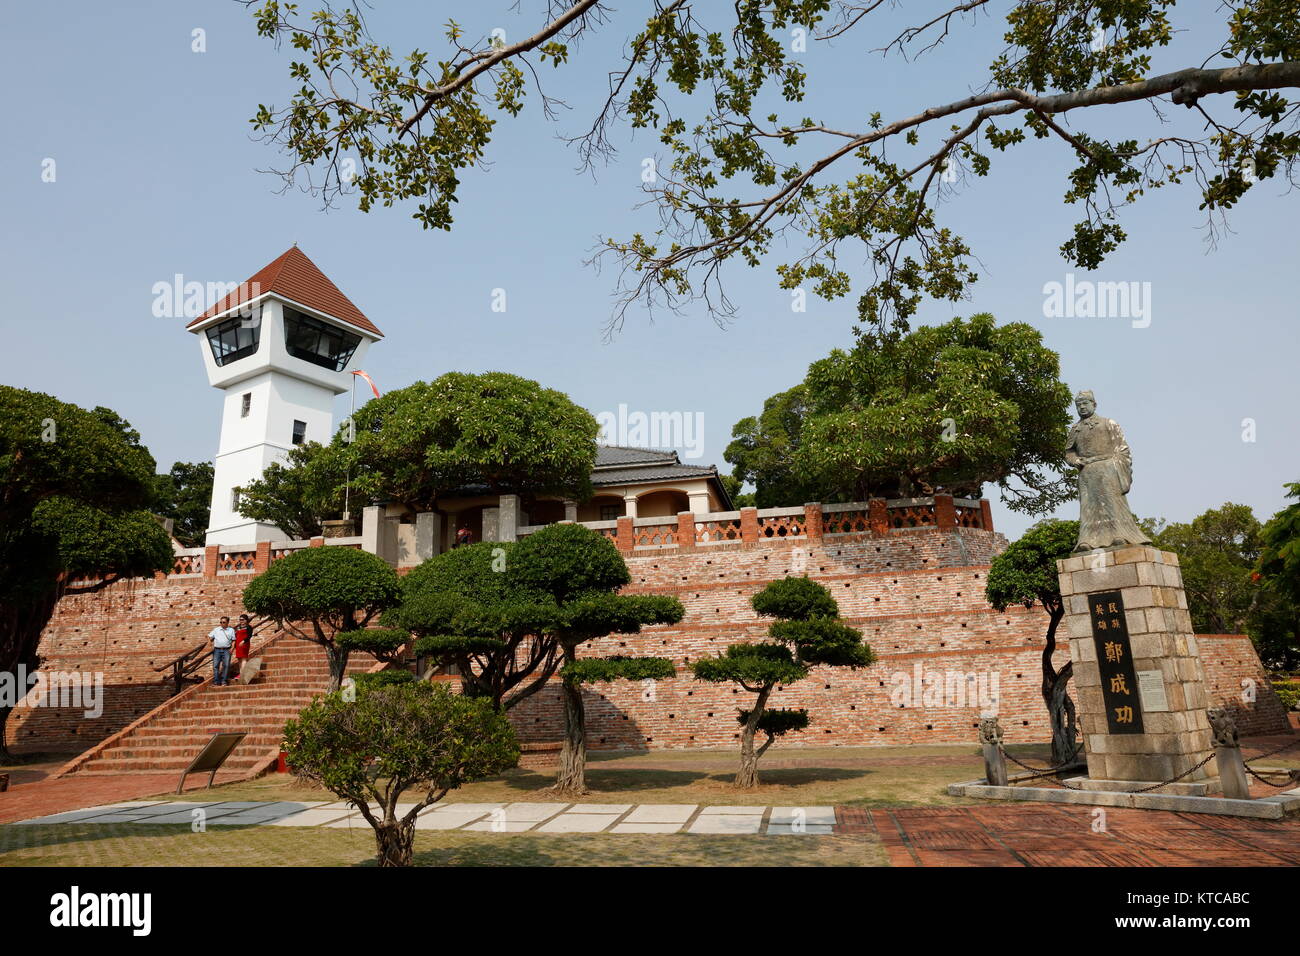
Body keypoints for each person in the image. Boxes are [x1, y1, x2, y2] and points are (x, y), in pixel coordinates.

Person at [1065, 390, 1152, 553]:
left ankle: (1120, 535)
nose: (1082, 407)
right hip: (1087, 473)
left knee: (1113, 503)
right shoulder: (1075, 429)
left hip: (1108, 469)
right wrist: (1077, 461)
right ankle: (1087, 540)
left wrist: (1115, 466)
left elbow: (1123, 448)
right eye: (1078, 405)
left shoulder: (1108, 423)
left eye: (1085, 403)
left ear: (1094, 404)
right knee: (1088, 508)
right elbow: (1069, 452)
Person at [209, 616, 236, 687]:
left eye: (223, 622)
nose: (222, 623)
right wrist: (211, 644)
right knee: (215, 666)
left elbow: (234, 640)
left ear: (227, 622)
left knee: (226, 666)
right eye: (220, 622)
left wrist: (232, 649)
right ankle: (216, 682)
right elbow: (209, 637)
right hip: (217, 650)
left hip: (227, 650)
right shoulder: (216, 629)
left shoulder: (231, 630)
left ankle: (224, 681)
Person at [232, 614, 254, 680]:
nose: (241, 621)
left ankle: (242, 674)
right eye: (240, 619)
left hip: (244, 644)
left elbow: (249, 636)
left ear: (246, 620)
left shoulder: (249, 627)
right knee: (239, 659)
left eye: (242, 619)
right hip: (238, 645)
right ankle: (241, 673)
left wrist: (243, 641)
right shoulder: (238, 628)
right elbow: (236, 637)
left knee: (244, 658)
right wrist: (234, 646)